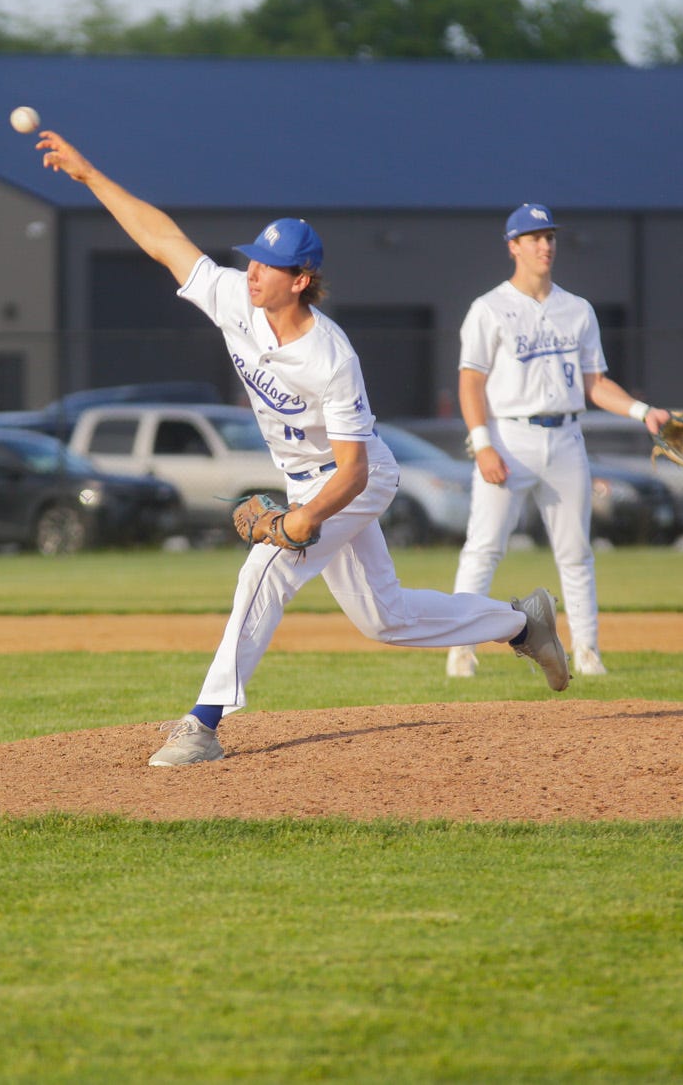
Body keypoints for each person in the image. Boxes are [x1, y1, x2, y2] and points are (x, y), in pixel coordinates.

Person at [34, 132, 570, 768]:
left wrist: (304, 518)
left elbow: (355, 469)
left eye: (268, 266)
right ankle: (521, 623)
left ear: (302, 280)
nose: (253, 272)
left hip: (353, 478)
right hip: (307, 480)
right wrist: (89, 174)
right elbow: (163, 240)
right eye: (253, 260)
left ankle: (204, 722)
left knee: (265, 569)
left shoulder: (330, 357)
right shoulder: (237, 300)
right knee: (386, 619)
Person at [445, 205, 669, 681]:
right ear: (513, 246)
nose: (545, 245)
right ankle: (461, 651)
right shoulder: (489, 308)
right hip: (509, 435)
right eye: (533, 237)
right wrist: (482, 444)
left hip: (566, 437)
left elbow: (595, 384)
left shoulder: (577, 309)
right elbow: (470, 383)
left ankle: (587, 651)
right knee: (484, 547)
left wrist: (643, 412)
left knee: (576, 552)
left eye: (549, 236)